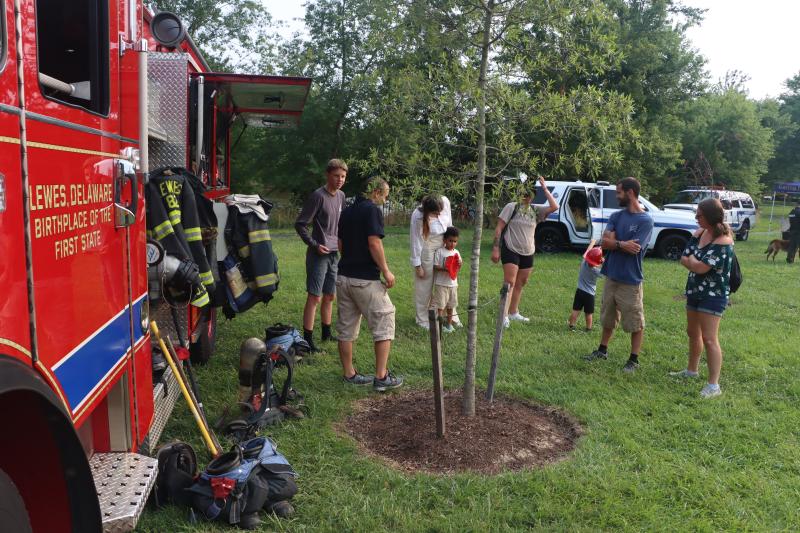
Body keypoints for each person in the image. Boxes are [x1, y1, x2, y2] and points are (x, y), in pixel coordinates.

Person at [336, 177, 403, 392]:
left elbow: (340, 243)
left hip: (343, 277)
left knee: (346, 328)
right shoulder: (372, 210)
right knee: (384, 320)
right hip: (365, 280)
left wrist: (350, 260)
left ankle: (349, 374)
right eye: (385, 195)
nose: (385, 200)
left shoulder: (346, 212)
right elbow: (374, 242)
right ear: (375, 192)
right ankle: (381, 377)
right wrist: (386, 270)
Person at [584, 177, 654, 372]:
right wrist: (622, 244)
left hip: (630, 280)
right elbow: (605, 242)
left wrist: (614, 242)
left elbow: (635, 249)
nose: (617, 196)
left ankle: (633, 360)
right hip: (611, 275)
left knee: (634, 321)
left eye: (619, 192)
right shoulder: (616, 216)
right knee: (608, 316)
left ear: (630, 193)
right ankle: (602, 350)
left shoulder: (646, 220)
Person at [669, 198, 735, 398]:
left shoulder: (723, 241)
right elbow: (684, 257)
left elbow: (699, 267)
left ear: (710, 217)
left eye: (699, 215)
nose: (696, 218)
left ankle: (714, 386)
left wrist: (693, 261)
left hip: (713, 296)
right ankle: (692, 370)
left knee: (709, 338)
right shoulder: (700, 233)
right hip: (695, 291)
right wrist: (693, 255)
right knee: (692, 332)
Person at [491, 176, 559, 328]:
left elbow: (555, 207)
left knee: (521, 282)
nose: (526, 197)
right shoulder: (511, 207)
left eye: (529, 194)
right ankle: (503, 316)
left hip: (528, 251)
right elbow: (499, 228)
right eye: (523, 194)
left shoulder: (535, 210)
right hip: (511, 248)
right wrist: (496, 248)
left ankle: (513, 312)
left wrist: (545, 188)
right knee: (509, 282)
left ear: (533, 196)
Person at [294, 159, 348, 352]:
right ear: (327, 175)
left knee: (330, 295)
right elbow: (300, 224)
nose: (340, 180)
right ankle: (307, 340)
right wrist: (315, 245)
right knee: (314, 297)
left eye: (343, 176)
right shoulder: (318, 196)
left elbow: (341, 224)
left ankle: (326, 332)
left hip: (334, 254)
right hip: (318, 254)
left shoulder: (341, 196)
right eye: (336, 176)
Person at [410, 195, 458, 329]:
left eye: (440, 212)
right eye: (435, 213)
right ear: (427, 211)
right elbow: (415, 240)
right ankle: (422, 318)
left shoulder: (445, 201)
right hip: (427, 246)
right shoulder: (417, 215)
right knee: (425, 283)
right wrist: (418, 265)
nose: (438, 215)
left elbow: (450, 226)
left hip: (444, 244)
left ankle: (450, 315)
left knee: (445, 280)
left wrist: (451, 249)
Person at [432, 227, 462, 333]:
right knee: (440, 306)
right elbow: (435, 266)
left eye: (455, 241)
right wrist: (445, 268)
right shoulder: (440, 252)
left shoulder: (456, 253)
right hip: (441, 284)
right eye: (450, 241)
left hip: (453, 285)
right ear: (444, 240)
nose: (452, 243)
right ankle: (439, 325)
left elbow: (458, 266)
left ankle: (449, 325)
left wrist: (459, 263)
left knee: (451, 306)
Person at [568, 239, 603, 331]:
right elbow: (605, 272)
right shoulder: (596, 271)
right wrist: (603, 262)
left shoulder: (584, 263)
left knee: (576, 310)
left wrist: (592, 243)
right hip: (589, 295)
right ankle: (588, 328)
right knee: (588, 313)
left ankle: (571, 325)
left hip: (579, 291)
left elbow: (587, 252)